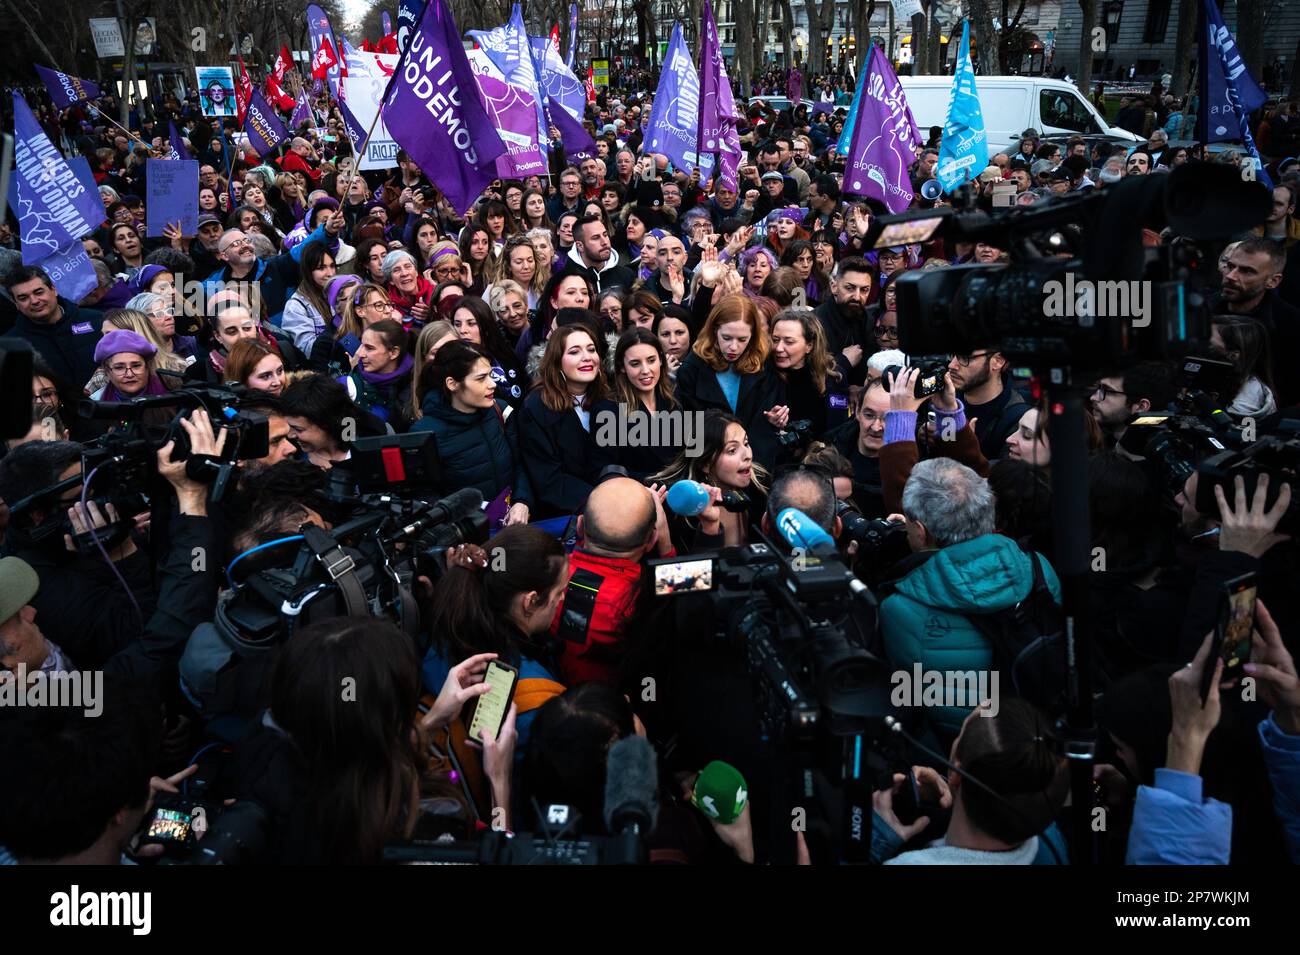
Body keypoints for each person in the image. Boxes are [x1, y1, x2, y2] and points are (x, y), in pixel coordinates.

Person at [879, 458, 1061, 743]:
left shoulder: (900, 609)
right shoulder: (1040, 570)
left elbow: (909, 698)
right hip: (1038, 737)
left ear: (921, 532)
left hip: (959, 749)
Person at [423, 525, 571, 754]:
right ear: (530, 601)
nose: (562, 598)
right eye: (559, 591)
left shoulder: (443, 633)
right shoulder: (535, 700)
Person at [872, 700, 1070, 865]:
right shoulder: (1049, 834)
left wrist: (875, 841)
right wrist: (948, 799)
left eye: (960, 734)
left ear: (957, 774)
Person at [549, 477, 675, 687]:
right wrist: (666, 547)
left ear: (579, 526)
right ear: (652, 540)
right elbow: (682, 604)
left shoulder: (547, 575)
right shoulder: (643, 597)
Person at [409, 339, 532, 524]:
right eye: (481, 378)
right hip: (464, 538)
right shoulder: (424, 434)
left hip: (510, 527)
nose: (492, 384)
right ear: (452, 384)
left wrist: (522, 501)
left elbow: (522, 463)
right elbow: (424, 496)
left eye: (490, 375)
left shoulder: (500, 411)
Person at [674, 295, 785, 470]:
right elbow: (686, 426)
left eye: (742, 340)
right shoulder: (692, 368)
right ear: (714, 331)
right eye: (727, 338)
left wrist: (778, 418)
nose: (733, 347)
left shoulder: (764, 364)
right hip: (708, 465)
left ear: (753, 335)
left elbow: (764, 429)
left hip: (755, 466)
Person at [517, 324, 616, 518]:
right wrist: (603, 502)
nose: (587, 357)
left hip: (615, 501)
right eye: (574, 352)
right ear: (557, 361)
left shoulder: (609, 399)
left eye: (591, 349)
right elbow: (548, 480)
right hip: (567, 514)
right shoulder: (536, 407)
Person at [649, 410, 770, 551]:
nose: (747, 455)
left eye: (746, 443)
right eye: (732, 450)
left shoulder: (761, 485)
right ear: (705, 463)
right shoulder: (678, 505)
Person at [6, 267, 103, 387]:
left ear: (53, 289)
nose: (34, 301)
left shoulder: (98, 321)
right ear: (15, 303)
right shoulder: (10, 346)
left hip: (104, 403)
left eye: (38, 292)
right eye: (23, 298)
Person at [606, 327, 682, 479]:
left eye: (651, 360)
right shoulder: (607, 410)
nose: (645, 370)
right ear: (622, 367)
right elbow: (606, 470)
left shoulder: (677, 399)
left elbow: (694, 455)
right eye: (635, 363)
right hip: (638, 497)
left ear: (661, 360)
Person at [768, 307, 842, 444]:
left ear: (809, 345)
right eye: (775, 340)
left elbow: (837, 429)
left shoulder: (832, 378)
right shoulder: (764, 376)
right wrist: (770, 423)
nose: (778, 348)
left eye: (789, 342)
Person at [947, 347, 1027, 462]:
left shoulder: (1019, 417)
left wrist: (968, 450)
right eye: (952, 355)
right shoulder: (945, 395)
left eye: (965, 358)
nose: (952, 365)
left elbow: (1005, 476)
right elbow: (944, 449)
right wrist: (921, 432)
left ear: (998, 361)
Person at [340, 319, 415, 430]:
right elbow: (345, 439)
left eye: (369, 348)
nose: (360, 354)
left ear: (394, 353)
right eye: (362, 345)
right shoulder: (345, 386)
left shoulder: (417, 384)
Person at [815, 257, 874, 383]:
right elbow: (811, 377)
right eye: (850, 288)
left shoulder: (869, 320)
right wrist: (843, 362)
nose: (857, 297)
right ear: (834, 286)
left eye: (864, 290)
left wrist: (860, 388)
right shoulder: (814, 322)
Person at [89, 329, 171, 401]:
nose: (129, 374)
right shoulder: (97, 402)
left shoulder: (172, 399)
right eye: (119, 368)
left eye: (136, 366)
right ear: (107, 371)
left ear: (147, 367)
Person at [565, 214, 635, 294]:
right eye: (596, 238)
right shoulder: (566, 279)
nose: (604, 242)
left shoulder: (626, 276)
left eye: (605, 235)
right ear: (580, 246)